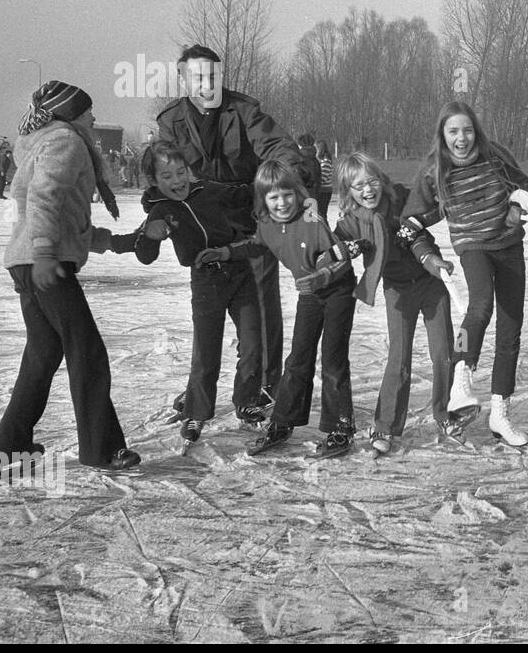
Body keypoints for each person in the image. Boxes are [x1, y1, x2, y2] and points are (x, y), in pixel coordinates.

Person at [0, 81, 139, 473]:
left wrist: (117, 243)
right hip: (44, 262)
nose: (92, 116)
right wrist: (43, 255)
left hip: (29, 261)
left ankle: (9, 451)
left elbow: (67, 220)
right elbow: (44, 198)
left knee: (43, 355)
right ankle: (102, 449)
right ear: (69, 113)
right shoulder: (65, 142)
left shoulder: (46, 142)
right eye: (86, 110)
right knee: (86, 350)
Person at [156, 44, 304, 411]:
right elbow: (163, 170)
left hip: (248, 217)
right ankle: (200, 390)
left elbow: (279, 147)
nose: (207, 86)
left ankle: (266, 384)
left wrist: (281, 180)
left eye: (213, 77)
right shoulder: (170, 121)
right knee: (207, 311)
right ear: (183, 78)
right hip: (203, 224)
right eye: (198, 78)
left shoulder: (244, 110)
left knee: (258, 308)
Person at [400, 101, 528, 448]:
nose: (461, 138)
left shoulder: (495, 156)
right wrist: (427, 256)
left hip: (508, 244)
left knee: (511, 328)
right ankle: (462, 374)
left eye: (467, 130)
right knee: (479, 306)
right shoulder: (434, 171)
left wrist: (520, 201)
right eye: (453, 131)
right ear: (442, 135)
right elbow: (411, 222)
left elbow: (523, 187)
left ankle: (500, 413)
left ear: (475, 131)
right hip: (472, 245)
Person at [112, 142, 267, 448]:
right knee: (206, 351)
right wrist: (150, 237)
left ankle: (247, 400)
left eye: (181, 172)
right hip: (207, 282)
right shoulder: (161, 210)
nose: (177, 180)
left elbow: (242, 194)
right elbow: (145, 255)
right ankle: (196, 411)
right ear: (154, 181)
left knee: (252, 341)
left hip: (239, 271)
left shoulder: (206, 189)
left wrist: (268, 183)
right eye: (167, 175)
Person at [203, 161, 361, 458]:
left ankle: (341, 426)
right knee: (298, 358)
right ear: (263, 200)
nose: (282, 203)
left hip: (338, 289)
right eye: (273, 197)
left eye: (287, 195)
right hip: (310, 295)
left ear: (296, 193)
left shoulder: (312, 219)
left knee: (333, 358)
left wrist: (322, 276)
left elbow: (341, 259)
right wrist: (226, 252)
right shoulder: (266, 225)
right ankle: (282, 422)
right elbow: (254, 245)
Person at [333, 151, 456, 452]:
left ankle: (446, 414)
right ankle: (385, 427)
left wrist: (430, 258)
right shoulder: (350, 222)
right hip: (397, 292)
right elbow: (330, 248)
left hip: (430, 284)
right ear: (348, 192)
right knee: (398, 359)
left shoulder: (401, 199)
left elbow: (424, 220)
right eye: (358, 186)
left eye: (372, 181)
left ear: (381, 180)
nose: (367, 190)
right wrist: (343, 250)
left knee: (443, 352)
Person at [316, 142, 334, 221]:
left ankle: (326, 231)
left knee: (322, 214)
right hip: (323, 190)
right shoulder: (322, 161)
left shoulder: (326, 161)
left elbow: (323, 178)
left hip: (324, 191)